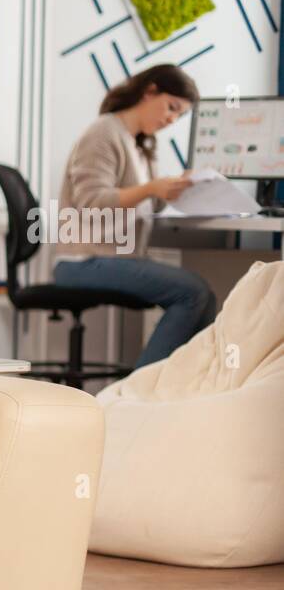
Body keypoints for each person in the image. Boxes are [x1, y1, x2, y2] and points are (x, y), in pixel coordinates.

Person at [53, 63, 215, 369]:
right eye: (171, 107)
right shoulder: (103, 132)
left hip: (116, 258)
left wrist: (179, 189)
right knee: (192, 292)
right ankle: (139, 392)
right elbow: (92, 201)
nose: (171, 119)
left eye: (179, 115)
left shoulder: (140, 146)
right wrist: (152, 188)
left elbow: (147, 205)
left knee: (205, 296)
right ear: (149, 90)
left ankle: (183, 392)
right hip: (81, 261)